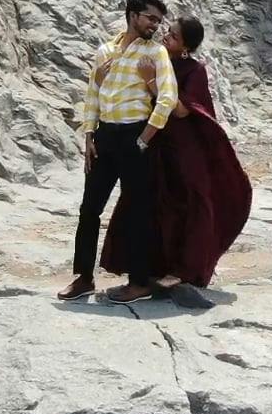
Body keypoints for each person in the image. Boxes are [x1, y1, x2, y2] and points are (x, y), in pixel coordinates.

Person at [99, 16, 250, 304]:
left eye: (174, 36)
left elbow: (180, 110)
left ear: (185, 47)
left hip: (184, 150)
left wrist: (152, 82)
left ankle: (185, 270)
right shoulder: (155, 60)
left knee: (188, 204)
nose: (166, 37)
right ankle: (149, 269)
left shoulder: (194, 71)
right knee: (151, 204)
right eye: (168, 32)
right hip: (155, 143)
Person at [59, 0, 177, 304]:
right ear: (133, 14)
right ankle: (83, 277)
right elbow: (92, 94)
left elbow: (166, 99)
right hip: (104, 138)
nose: (156, 25)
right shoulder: (106, 51)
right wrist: (89, 135)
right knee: (89, 209)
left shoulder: (156, 54)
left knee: (138, 211)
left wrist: (143, 140)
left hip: (136, 136)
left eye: (159, 20)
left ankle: (139, 283)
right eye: (151, 18)